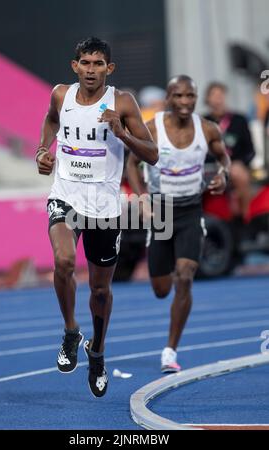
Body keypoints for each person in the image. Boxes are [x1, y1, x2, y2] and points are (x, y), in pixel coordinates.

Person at [36, 37, 158, 397]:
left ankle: (98, 352)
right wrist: (44, 150)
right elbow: (51, 120)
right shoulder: (61, 94)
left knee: (101, 288)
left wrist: (121, 132)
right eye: (85, 63)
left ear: (110, 68)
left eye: (98, 64)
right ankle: (72, 332)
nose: (91, 70)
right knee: (62, 261)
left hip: (104, 207)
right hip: (66, 195)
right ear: (75, 66)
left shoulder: (122, 102)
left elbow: (151, 154)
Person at [127, 75, 230, 373]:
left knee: (184, 276)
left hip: (189, 211)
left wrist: (222, 173)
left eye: (190, 96)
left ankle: (170, 351)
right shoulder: (153, 128)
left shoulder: (207, 128)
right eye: (179, 96)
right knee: (161, 289)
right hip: (161, 212)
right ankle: (166, 261)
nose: (185, 102)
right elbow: (132, 163)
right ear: (169, 97)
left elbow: (224, 158)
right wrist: (142, 197)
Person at [204, 82, 255, 219]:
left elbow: (250, 149)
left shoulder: (239, 120)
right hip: (209, 164)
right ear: (207, 99)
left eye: (220, 95)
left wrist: (241, 163)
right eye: (214, 95)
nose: (218, 99)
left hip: (234, 164)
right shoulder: (202, 121)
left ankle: (245, 216)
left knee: (239, 174)